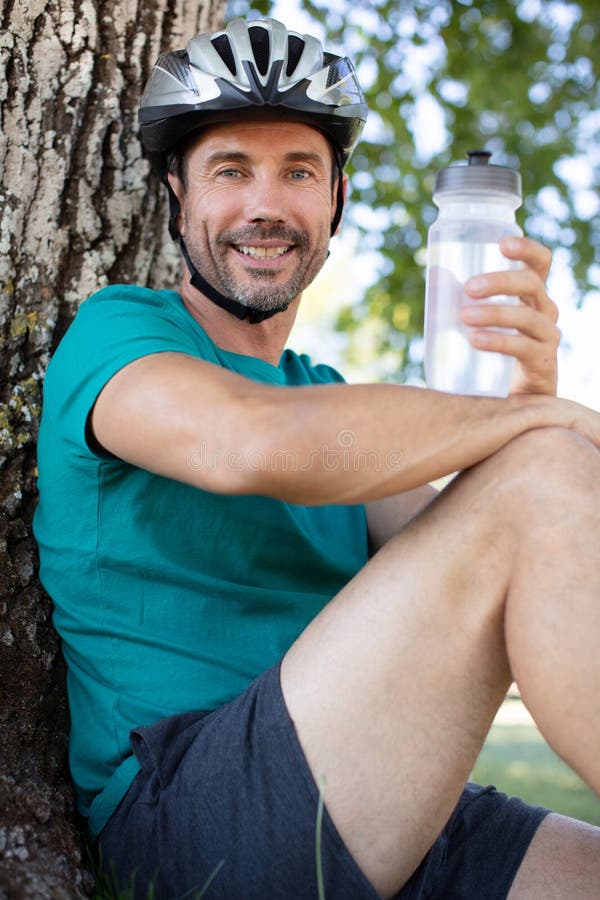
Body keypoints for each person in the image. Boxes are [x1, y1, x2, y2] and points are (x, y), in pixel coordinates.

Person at [33, 16, 600, 900]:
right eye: (231, 170)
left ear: (336, 197)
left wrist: (524, 408)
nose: (266, 203)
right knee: (546, 467)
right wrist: (540, 437)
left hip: (379, 792)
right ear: (176, 192)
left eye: (298, 172)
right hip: (192, 811)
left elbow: (485, 562)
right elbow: (250, 443)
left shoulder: (334, 394)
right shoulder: (120, 334)